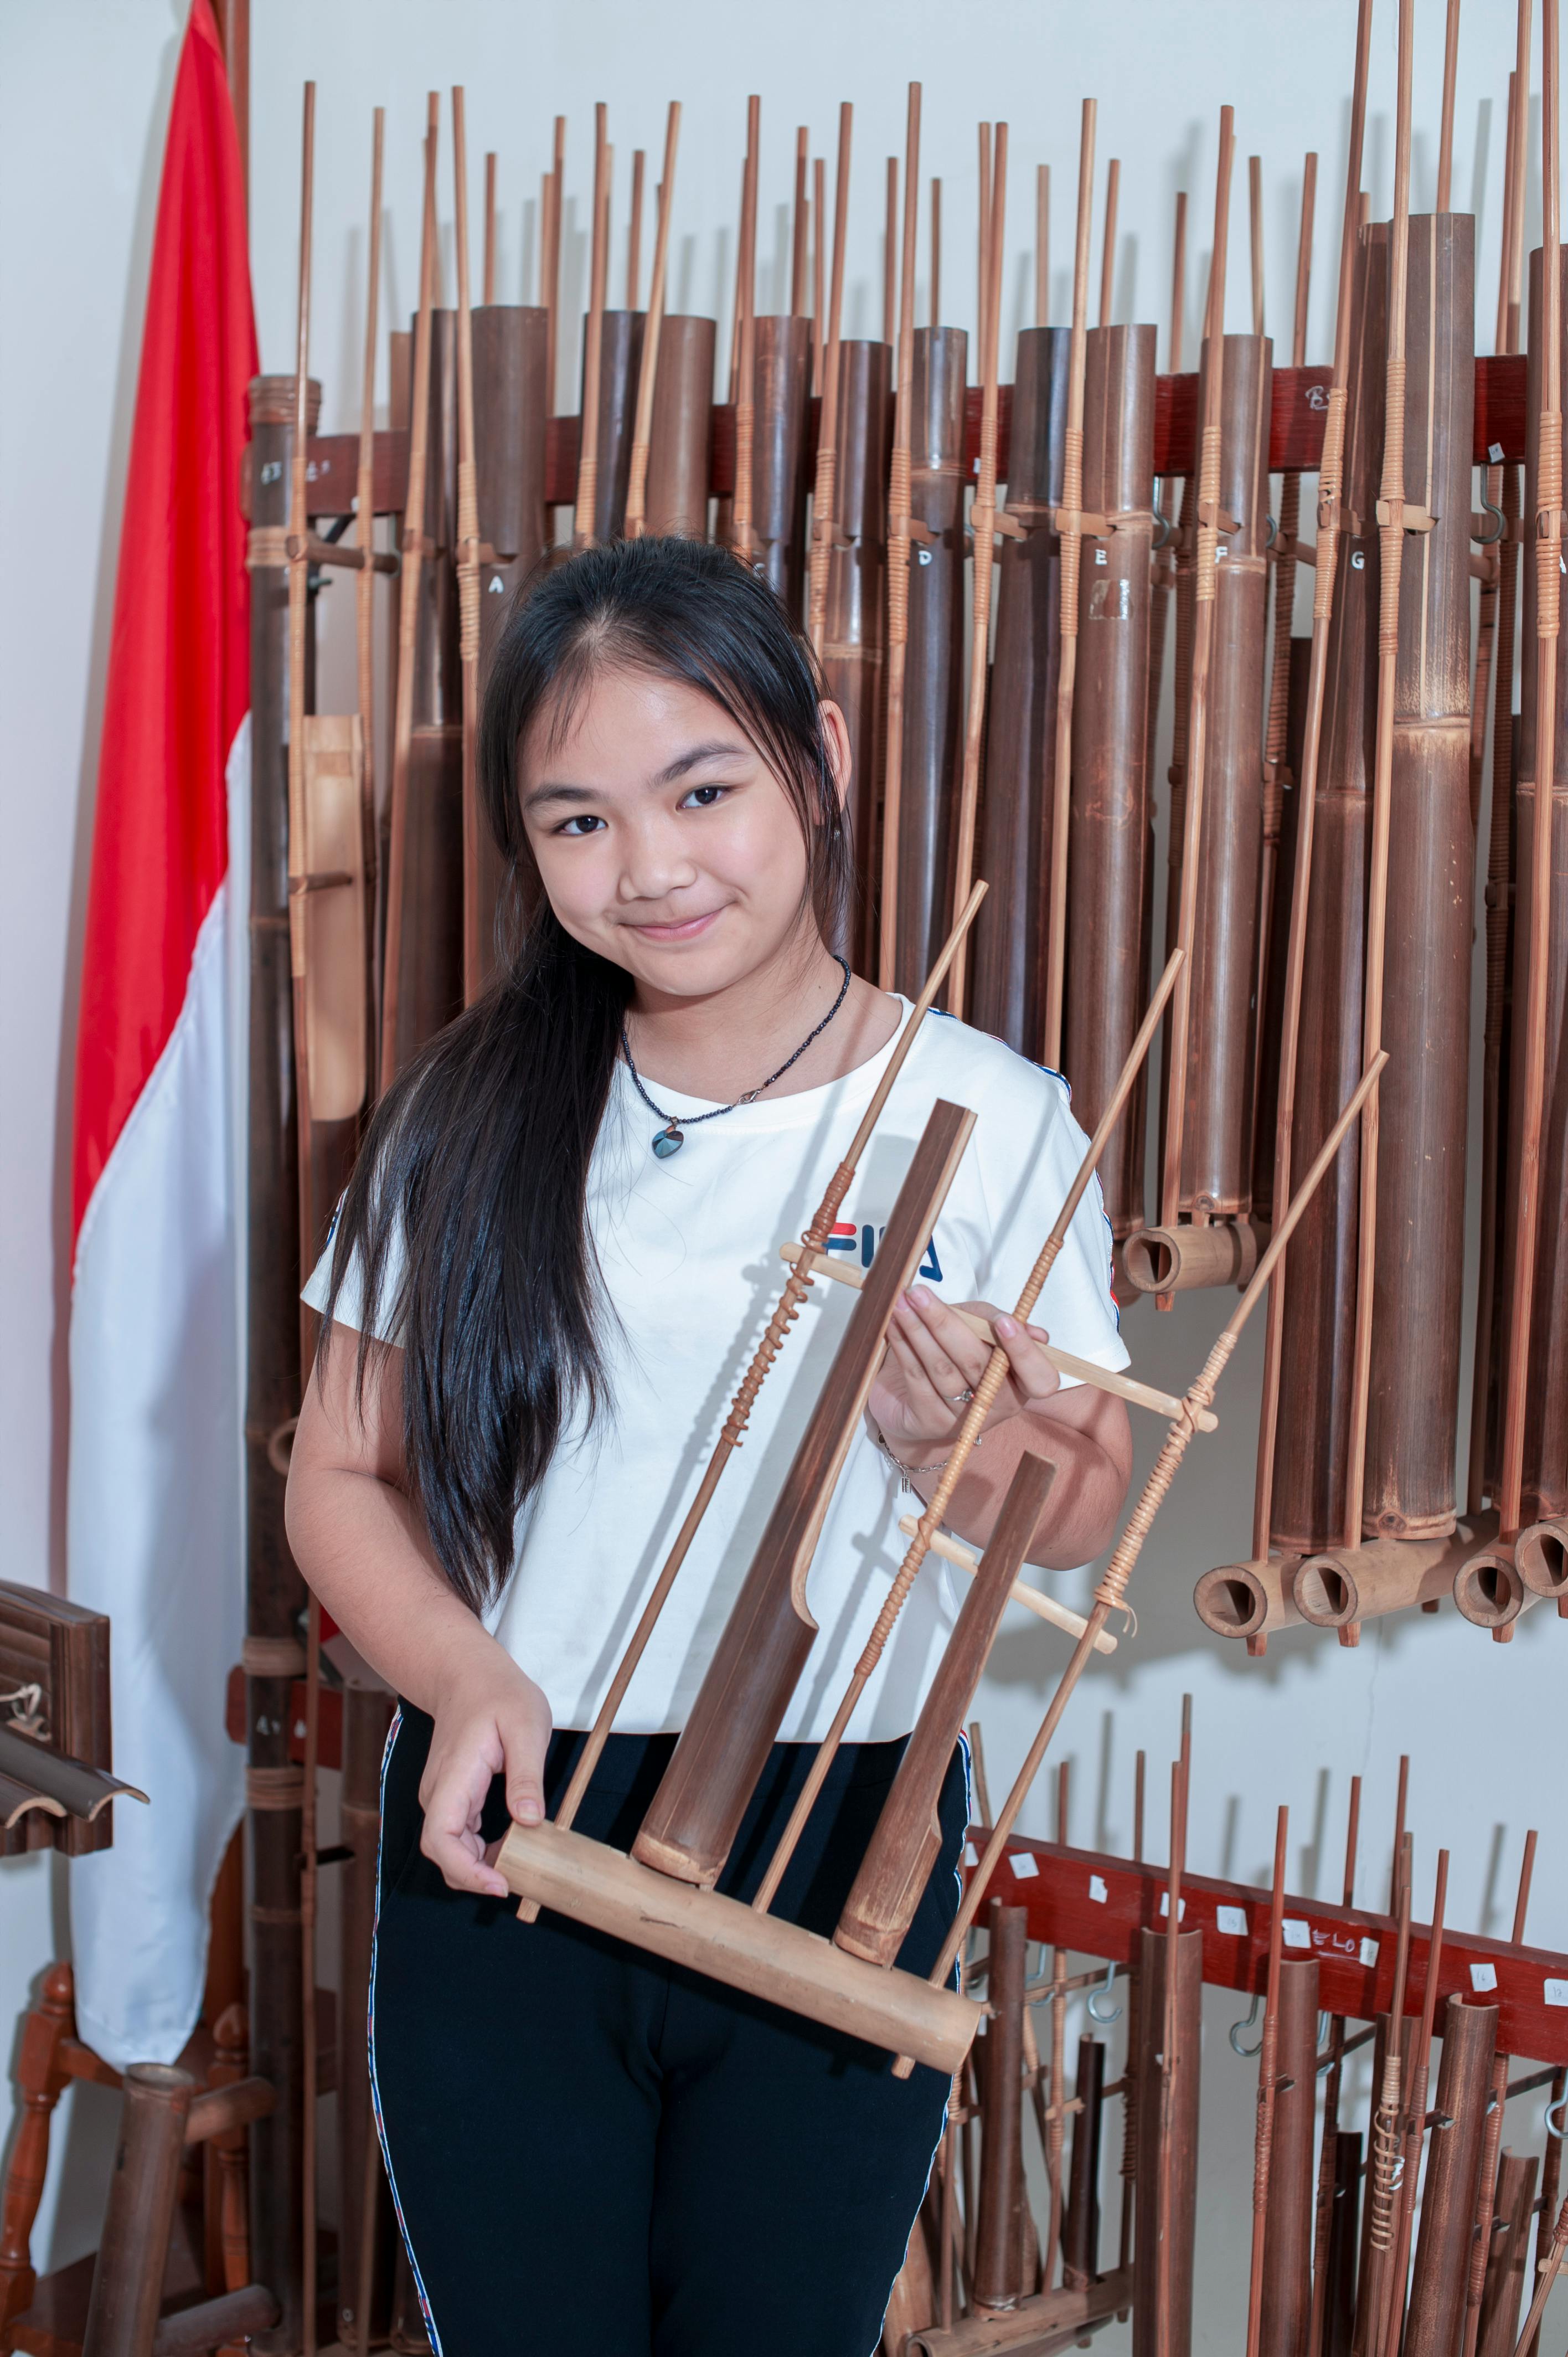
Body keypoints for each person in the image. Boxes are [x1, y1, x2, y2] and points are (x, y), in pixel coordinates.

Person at [285, 536, 1133, 2356]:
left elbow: (1078, 1510)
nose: (652, 867)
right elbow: (337, 1470)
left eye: (703, 789)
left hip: (851, 1828)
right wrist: (464, 1679)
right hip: (514, 1827)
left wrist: (954, 1459)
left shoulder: (988, 1112)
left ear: (816, 760)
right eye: (578, 818)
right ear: (526, 844)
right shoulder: (468, 1111)